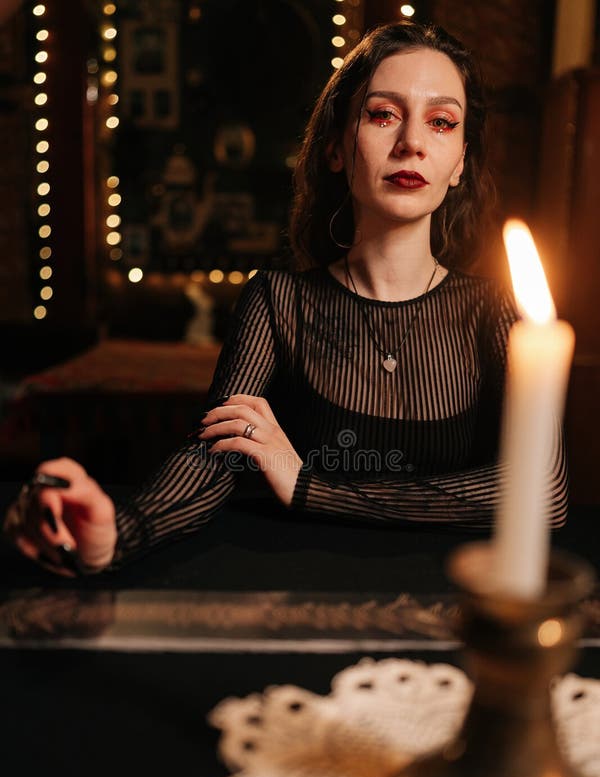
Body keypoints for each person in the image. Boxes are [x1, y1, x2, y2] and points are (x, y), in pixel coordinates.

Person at [4, 21, 567, 577]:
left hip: (452, 614)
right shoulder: (278, 302)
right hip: (306, 597)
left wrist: (308, 486)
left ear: (460, 163)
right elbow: (213, 459)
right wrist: (118, 533)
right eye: (382, 114)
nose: (412, 143)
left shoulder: (498, 311)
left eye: (441, 122)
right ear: (336, 149)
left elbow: (543, 490)